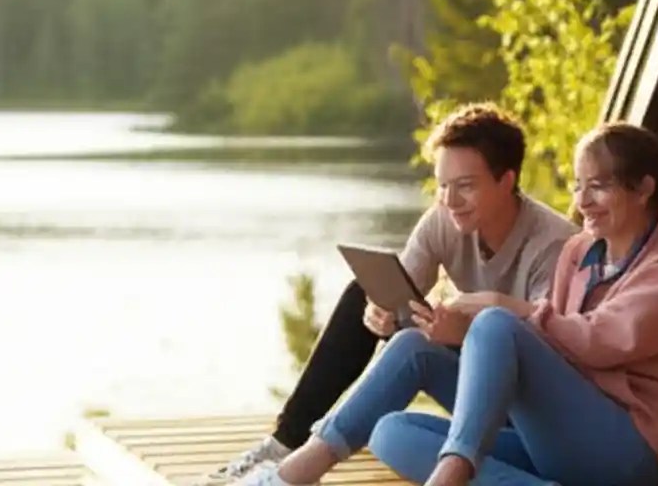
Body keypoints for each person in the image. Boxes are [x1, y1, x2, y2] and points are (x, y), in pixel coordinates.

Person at [234, 121, 658, 486]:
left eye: (598, 186)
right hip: (560, 440)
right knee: (392, 421)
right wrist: (455, 330)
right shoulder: (580, 253)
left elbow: (599, 342)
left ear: (643, 189)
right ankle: (292, 473)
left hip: (630, 454)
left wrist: (507, 311)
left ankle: (449, 478)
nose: (583, 201)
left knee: (496, 322)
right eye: (578, 186)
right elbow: (557, 353)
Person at [196, 103, 578, 485]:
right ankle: (286, 453)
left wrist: (468, 327)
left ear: (506, 180)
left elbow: (553, 348)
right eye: (443, 185)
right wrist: (379, 313)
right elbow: (403, 288)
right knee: (369, 299)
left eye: (465, 186)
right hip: (475, 376)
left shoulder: (555, 244)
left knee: (422, 367)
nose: (450, 199)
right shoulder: (444, 220)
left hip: (533, 407)